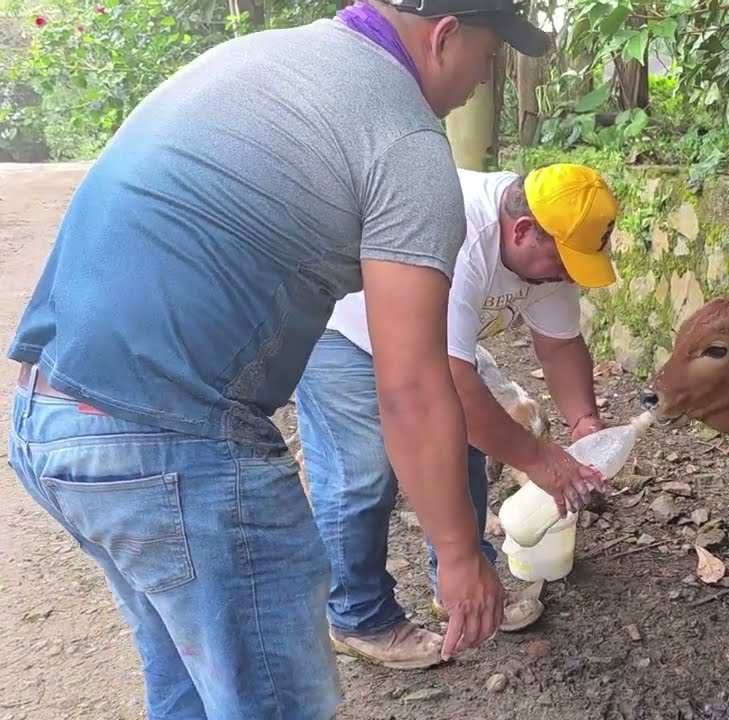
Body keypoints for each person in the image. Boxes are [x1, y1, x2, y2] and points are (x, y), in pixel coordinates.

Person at [2, 1, 587, 718]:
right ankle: (364, 612)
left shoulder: (267, 60)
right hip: (170, 446)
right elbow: (413, 387)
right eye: (488, 58)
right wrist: (460, 558)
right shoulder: (405, 140)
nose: (480, 81)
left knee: (196, 688)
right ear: (443, 36)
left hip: (49, 421)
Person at [295, 162, 619, 669]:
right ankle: (359, 617)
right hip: (343, 329)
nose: (567, 274)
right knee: (360, 475)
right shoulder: (458, 234)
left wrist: (584, 422)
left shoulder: (553, 248)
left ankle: (463, 587)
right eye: (564, 259)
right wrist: (539, 460)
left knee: (465, 452)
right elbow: (449, 383)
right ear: (522, 230)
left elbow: (559, 347)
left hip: (422, 343)